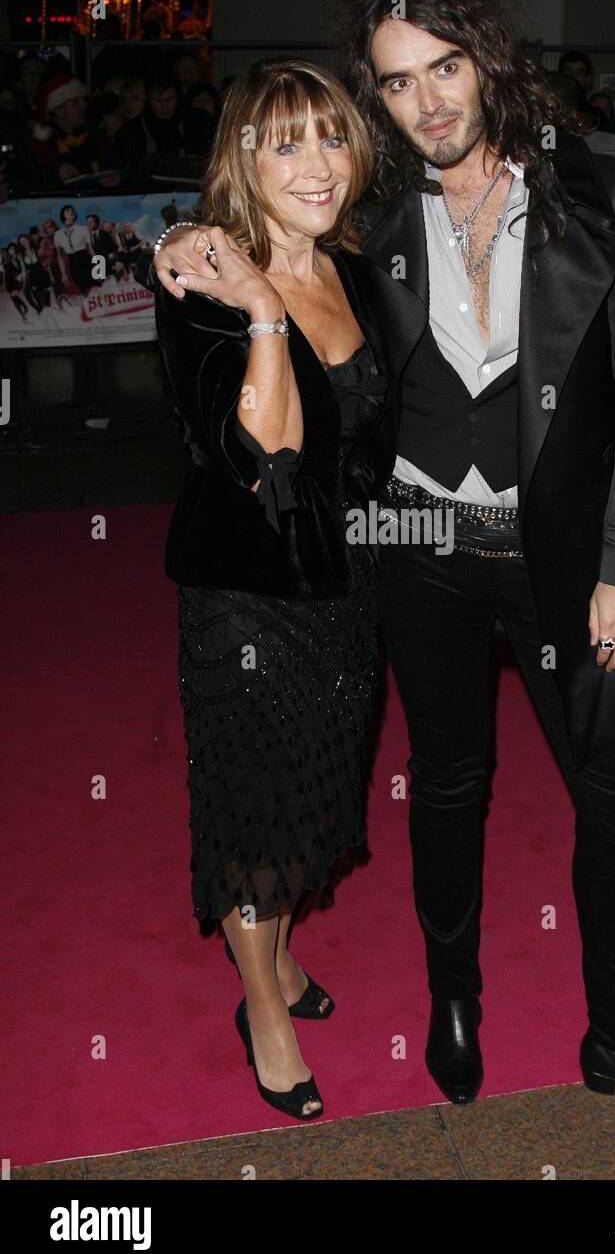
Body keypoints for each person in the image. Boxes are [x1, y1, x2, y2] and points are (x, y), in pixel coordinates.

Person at [151, 0, 615, 1125]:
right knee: (446, 788)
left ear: (486, 57)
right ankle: (453, 996)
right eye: (395, 79)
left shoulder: (600, 181)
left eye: (443, 67)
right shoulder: (367, 207)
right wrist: (179, 240)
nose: (423, 100)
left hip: (571, 557)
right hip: (415, 551)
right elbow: (259, 218)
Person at [147, 58, 397, 1121]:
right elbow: (267, 451)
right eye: (285, 140)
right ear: (241, 157)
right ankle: (264, 1009)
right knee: (257, 815)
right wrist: (256, 303)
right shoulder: (204, 279)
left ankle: (283, 958)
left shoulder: (358, 266)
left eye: (331, 137)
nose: (316, 163)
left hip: (348, 588)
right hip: (245, 596)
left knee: (321, 798)